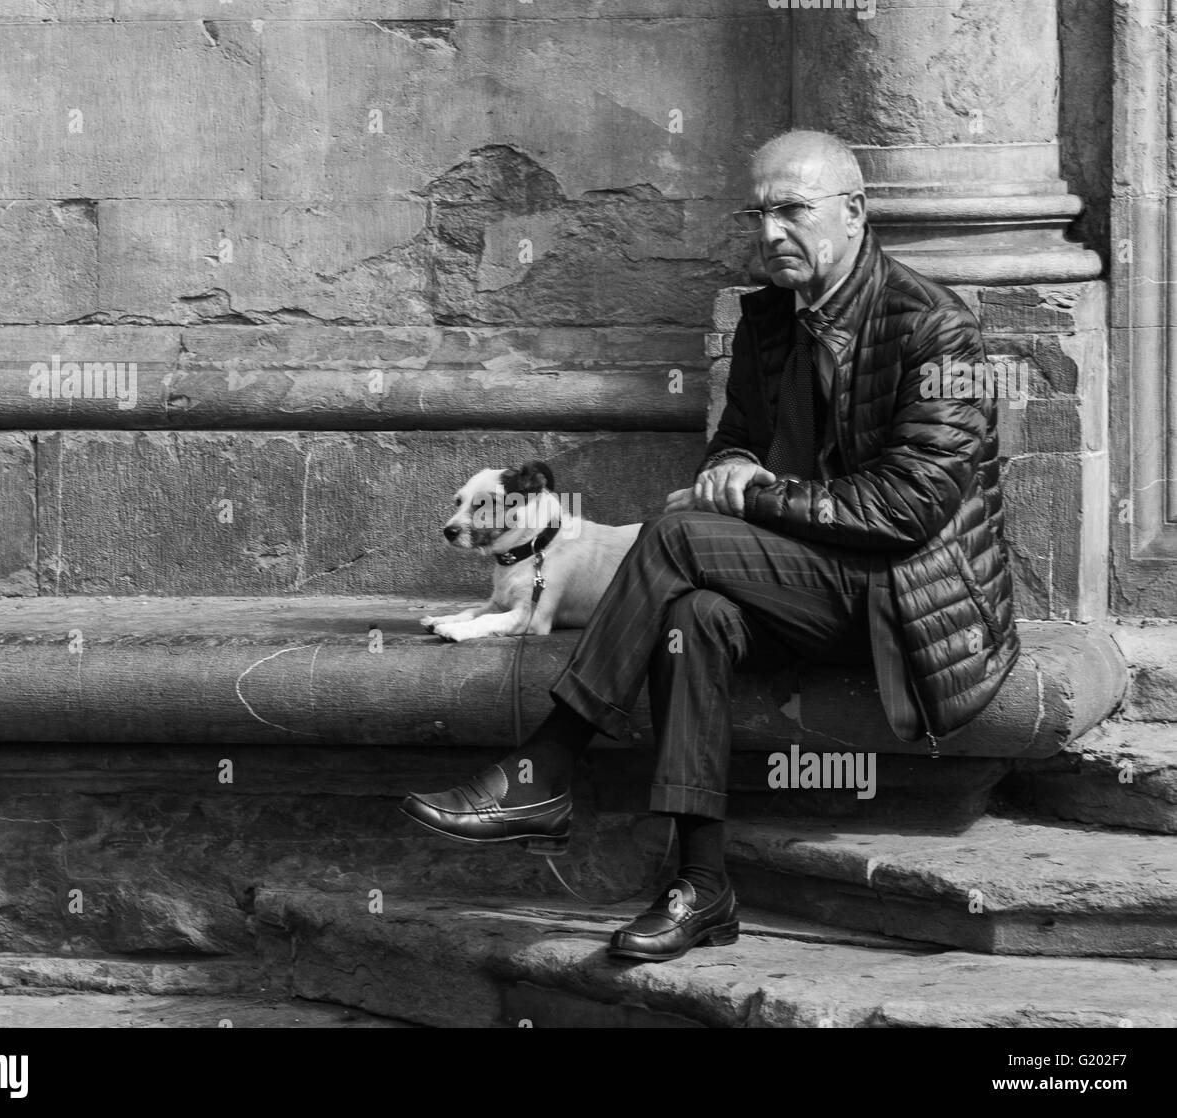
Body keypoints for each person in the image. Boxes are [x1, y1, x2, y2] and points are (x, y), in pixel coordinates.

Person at [400, 130, 1020, 963]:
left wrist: (753, 492)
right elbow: (732, 444)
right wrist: (729, 465)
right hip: (794, 584)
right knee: (691, 614)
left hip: (904, 599)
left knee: (676, 536)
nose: (771, 233)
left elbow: (909, 510)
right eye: (759, 213)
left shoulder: (939, 332)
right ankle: (701, 886)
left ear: (855, 213)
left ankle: (546, 767)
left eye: (793, 211)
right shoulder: (771, 323)